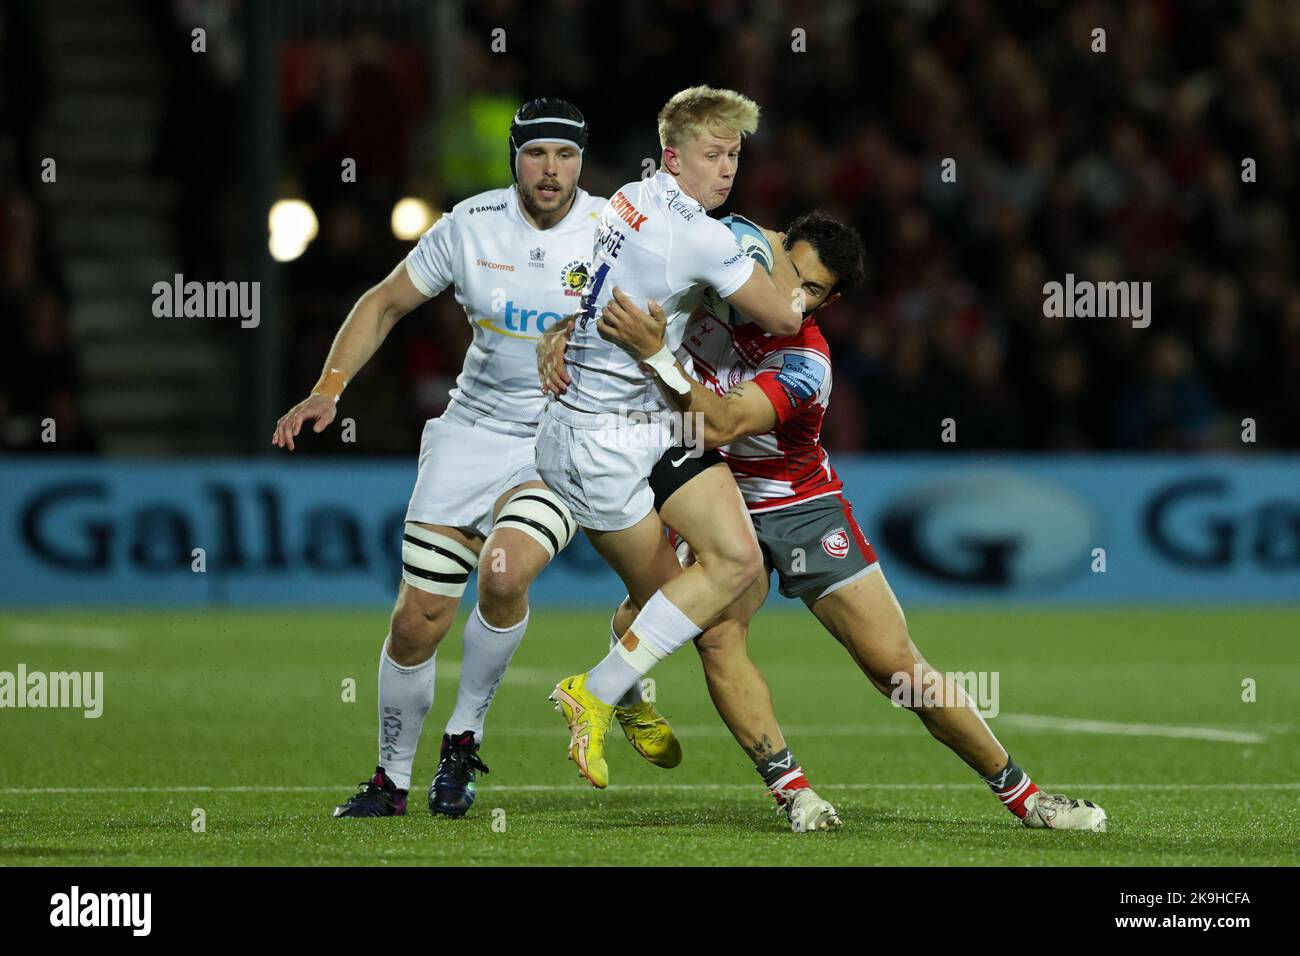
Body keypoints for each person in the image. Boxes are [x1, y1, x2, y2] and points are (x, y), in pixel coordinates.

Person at [584, 210, 1109, 833]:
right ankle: (794, 793)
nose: (791, 294)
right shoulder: (704, 295)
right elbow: (604, 283)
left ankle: (1028, 799)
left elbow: (721, 422)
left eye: (810, 290)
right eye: (789, 274)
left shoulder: (808, 362)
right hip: (710, 493)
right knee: (720, 639)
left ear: (829, 302)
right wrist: (561, 334)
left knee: (896, 668)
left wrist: (656, 356)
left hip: (796, 505)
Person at [273, 98, 677, 819]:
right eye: (535, 154)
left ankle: (463, 741)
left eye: (565, 156)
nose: (550, 171)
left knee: (505, 570)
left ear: (583, 163)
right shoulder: (469, 224)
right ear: (513, 158)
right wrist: (327, 389)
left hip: (562, 438)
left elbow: (673, 313)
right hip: (471, 433)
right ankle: (391, 782)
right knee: (416, 620)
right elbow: (384, 303)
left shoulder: (617, 233)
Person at [532, 86, 807, 790]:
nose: (725, 170)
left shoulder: (629, 194)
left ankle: (610, 686)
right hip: (595, 444)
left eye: (735, 156)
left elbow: (589, 278)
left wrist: (563, 328)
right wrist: (773, 247)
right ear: (671, 158)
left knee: (735, 567)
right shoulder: (704, 235)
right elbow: (781, 315)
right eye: (711, 155)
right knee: (694, 613)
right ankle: (603, 690)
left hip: (658, 418)